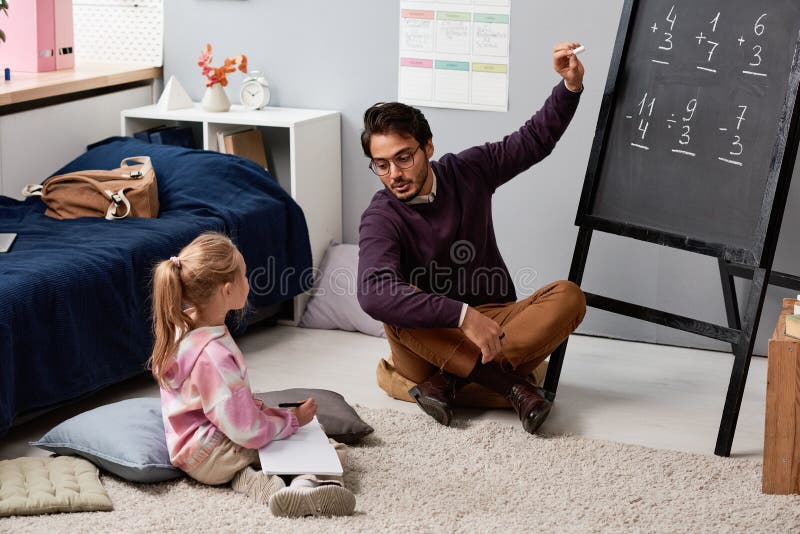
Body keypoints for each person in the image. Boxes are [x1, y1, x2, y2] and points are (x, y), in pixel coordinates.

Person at [357, 43, 588, 434]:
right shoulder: (381, 214)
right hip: (427, 341)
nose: (393, 173)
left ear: (427, 147)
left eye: (403, 157)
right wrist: (461, 316)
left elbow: (533, 140)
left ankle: (446, 385)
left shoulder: (469, 170)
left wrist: (568, 88)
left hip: (495, 320)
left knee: (569, 297)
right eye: (381, 164)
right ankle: (510, 385)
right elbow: (372, 293)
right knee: (394, 307)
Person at [148, 232, 355, 517]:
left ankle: (266, 487)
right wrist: (291, 420)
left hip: (191, 452)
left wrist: (264, 412)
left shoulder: (184, 329)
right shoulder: (214, 357)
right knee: (325, 445)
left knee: (256, 456)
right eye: (244, 276)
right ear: (227, 290)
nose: (249, 282)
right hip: (212, 453)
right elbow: (245, 430)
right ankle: (306, 487)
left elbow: (222, 408)